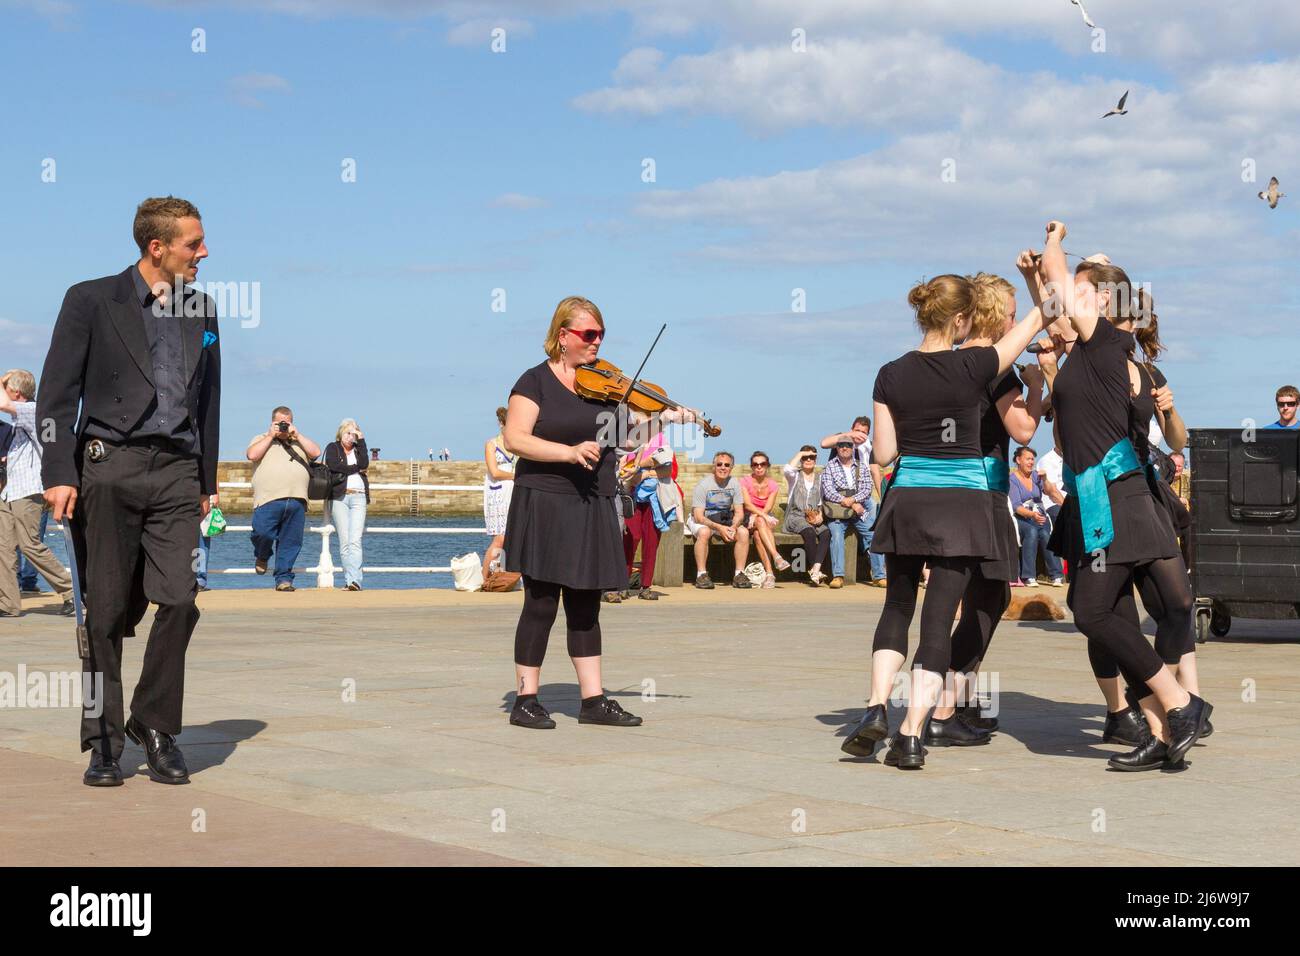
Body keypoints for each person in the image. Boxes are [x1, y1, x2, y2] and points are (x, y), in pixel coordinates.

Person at [36, 196, 221, 787]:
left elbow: (208, 403)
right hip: (106, 465)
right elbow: (57, 395)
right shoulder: (90, 299)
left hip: (176, 471)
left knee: (181, 599)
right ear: (156, 247)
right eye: (194, 243)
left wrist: (206, 483)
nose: (204, 253)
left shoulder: (203, 309)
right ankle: (103, 744)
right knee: (106, 613)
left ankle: (155, 723)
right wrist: (58, 472)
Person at [840, 273, 1048, 769]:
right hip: (962, 504)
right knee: (938, 621)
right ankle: (912, 734)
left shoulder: (889, 372)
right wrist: (1042, 277)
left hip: (908, 497)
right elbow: (1040, 318)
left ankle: (874, 708)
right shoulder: (976, 364)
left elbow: (886, 451)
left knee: (896, 608)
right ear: (961, 318)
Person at [1037, 219, 1211, 771]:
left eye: (1084, 293)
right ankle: (1163, 732)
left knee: (1090, 609)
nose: (1072, 300)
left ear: (1103, 301)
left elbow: (1058, 282)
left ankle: (1181, 702)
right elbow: (1050, 301)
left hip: (1121, 499)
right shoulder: (1092, 354)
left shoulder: (1108, 342)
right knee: (1106, 611)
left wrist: (1056, 241)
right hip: (1103, 499)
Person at [501, 295, 699, 729]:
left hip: (592, 501)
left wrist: (667, 419)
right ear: (562, 336)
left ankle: (593, 701)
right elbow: (516, 438)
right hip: (545, 500)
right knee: (541, 602)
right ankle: (526, 700)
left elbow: (626, 440)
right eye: (589, 335)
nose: (597, 343)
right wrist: (567, 452)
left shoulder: (603, 386)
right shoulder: (533, 382)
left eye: (601, 335)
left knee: (587, 603)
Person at [941, 272, 1047, 734]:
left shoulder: (951, 360)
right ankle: (950, 703)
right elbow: (1022, 430)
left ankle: (958, 698)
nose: (1013, 321)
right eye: (1009, 313)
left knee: (968, 597)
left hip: (944, 491)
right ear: (991, 315)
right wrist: (1038, 387)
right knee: (989, 594)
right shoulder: (995, 367)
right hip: (983, 493)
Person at [0, 369, 76, 617]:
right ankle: (8, 603)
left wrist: (1, 380)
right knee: (4, 546)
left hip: (28, 489)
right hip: (11, 491)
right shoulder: (18, 422)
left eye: (7, 387)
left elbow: (2, 404)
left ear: (16, 392)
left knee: (29, 544)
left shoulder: (33, 411)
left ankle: (70, 592)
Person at [246, 407, 321, 592]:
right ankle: (262, 554)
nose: (283, 426)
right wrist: (271, 436)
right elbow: (252, 455)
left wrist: (298, 434)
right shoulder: (261, 438)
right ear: (272, 422)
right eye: (280, 422)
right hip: (268, 498)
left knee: (291, 541)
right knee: (262, 533)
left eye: (287, 423)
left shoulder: (298, 441)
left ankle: (284, 579)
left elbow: (316, 452)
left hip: (297, 499)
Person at [820, 438, 885, 588]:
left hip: (858, 510)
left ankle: (879, 576)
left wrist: (854, 500)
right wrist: (849, 501)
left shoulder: (861, 467)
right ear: (837, 448)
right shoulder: (830, 466)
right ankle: (838, 576)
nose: (844, 448)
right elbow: (828, 491)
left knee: (874, 535)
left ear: (853, 448)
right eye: (841, 445)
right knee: (836, 536)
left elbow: (867, 489)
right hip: (838, 510)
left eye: (848, 445)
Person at [620, 444, 681, 599]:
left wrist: (644, 473)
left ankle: (645, 586)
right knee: (630, 538)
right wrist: (651, 468)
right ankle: (621, 584)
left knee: (651, 542)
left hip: (655, 499)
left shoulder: (663, 444)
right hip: (630, 497)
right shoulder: (626, 442)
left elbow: (670, 471)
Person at [688, 451, 752, 589]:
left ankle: (739, 574)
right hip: (702, 520)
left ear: (731, 467)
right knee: (704, 532)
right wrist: (719, 528)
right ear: (714, 466)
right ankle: (701, 574)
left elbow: (739, 513)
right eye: (719, 464)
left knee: (743, 533)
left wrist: (734, 526)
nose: (723, 467)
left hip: (724, 519)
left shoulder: (734, 484)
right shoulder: (703, 485)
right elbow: (698, 516)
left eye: (727, 465)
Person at [1009, 446, 1065, 587]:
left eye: (1032, 459)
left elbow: (1048, 491)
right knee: (1032, 532)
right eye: (1028, 459)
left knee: (1046, 534)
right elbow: (1016, 506)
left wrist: (1045, 479)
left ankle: (1056, 575)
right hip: (1022, 518)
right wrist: (1032, 515)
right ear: (1018, 460)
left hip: (1040, 515)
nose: (1031, 462)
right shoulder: (1012, 479)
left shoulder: (1035, 476)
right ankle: (1028, 576)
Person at [324, 418, 370, 591]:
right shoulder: (333, 447)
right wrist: (355, 469)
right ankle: (349, 579)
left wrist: (362, 440)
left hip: (358, 497)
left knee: (355, 541)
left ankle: (356, 581)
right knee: (344, 542)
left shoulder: (359, 449)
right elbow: (334, 466)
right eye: (348, 433)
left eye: (354, 433)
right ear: (341, 433)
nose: (351, 437)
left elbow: (365, 464)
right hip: (339, 497)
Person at [740, 450, 790, 588]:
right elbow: (747, 504)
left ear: (767, 465)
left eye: (762, 464)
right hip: (747, 518)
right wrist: (758, 516)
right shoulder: (744, 481)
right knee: (761, 523)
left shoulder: (773, 485)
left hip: (763, 517)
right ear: (752, 466)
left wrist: (757, 515)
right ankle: (776, 557)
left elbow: (768, 507)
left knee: (758, 534)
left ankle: (769, 574)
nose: (759, 467)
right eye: (755, 464)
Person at [782, 445, 830, 586]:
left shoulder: (821, 478)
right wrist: (802, 452)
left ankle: (815, 570)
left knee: (826, 533)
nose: (809, 459)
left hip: (814, 515)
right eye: (805, 458)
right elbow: (787, 469)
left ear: (816, 459)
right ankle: (815, 571)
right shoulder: (795, 476)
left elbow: (822, 500)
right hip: (796, 516)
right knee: (809, 533)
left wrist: (820, 515)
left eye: (812, 457)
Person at [481, 407, 516, 581]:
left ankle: (500, 575)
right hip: (498, 494)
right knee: (500, 538)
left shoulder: (515, 445)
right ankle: (484, 576)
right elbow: (494, 472)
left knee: (510, 537)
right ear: (501, 424)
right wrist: (514, 476)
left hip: (513, 493)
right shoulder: (491, 444)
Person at [820, 416, 883, 495]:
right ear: (851, 430)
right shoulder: (842, 440)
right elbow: (824, 444)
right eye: (857, 431)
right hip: (838, 490)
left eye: (863, 432)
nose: (859, 434)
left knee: (872, 507)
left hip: (860, 491)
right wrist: (849, 435)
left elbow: (875, 471)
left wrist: (882, 497)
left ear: (867, 434)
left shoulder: (868, 447)